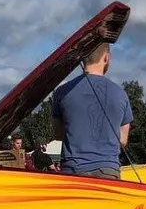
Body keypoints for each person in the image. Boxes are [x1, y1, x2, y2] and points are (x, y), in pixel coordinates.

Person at [50, 42, 132, 179]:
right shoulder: (120, 94)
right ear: (107, 58)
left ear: (82, 58)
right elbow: (122, 140)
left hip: (73, 170)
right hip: (108, 170)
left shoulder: (62, 92)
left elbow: (58, 134)